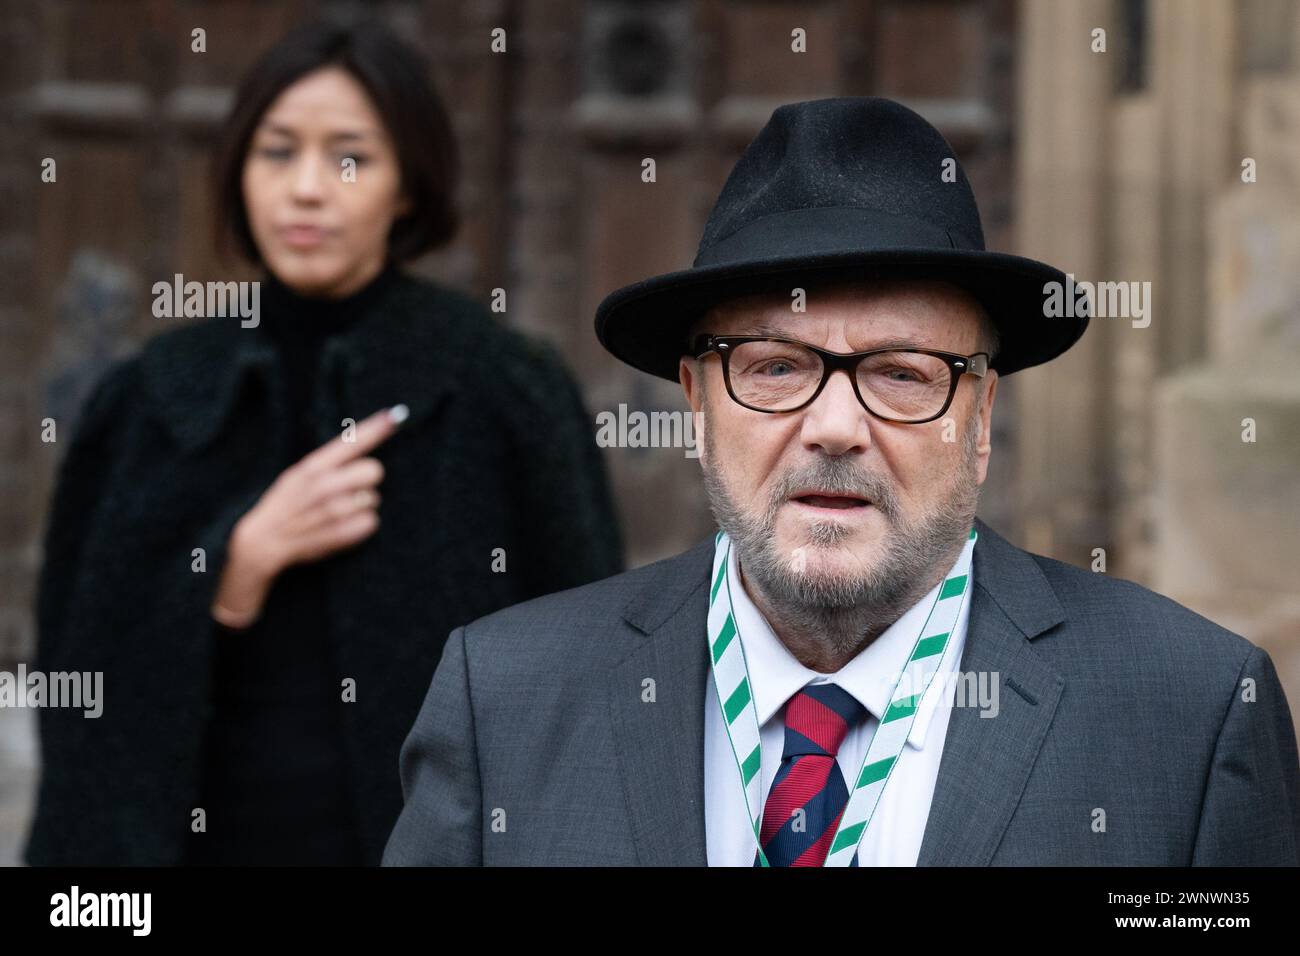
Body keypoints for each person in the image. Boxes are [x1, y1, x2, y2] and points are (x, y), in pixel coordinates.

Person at [381, 97, 1300, 866]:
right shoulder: (502, 701)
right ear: (697, 404)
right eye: (776, 366)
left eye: (901, 373)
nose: (833, 428)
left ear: (979, 419)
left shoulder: (1191, 717)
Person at [24, 18, 623, 867]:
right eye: (276, 152)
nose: (307, 189)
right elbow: (81, 678)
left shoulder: (500, 388)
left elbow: (588, 659)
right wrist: (232, 568)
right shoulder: (154, 398)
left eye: (351, 157)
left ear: (407, 186)